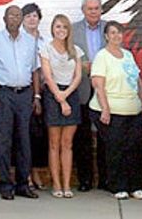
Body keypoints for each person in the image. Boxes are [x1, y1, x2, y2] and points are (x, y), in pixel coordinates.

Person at [0, 5, 40, 200]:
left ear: (21, 19)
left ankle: (23, 184)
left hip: (24, 95)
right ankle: (6, 184)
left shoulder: (31, 42)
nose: (14, 18)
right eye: (11, 15)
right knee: (3, 140)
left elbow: (35, 72)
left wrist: (37, 96)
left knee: (24, 141)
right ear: (4, 19)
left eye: (18, 15)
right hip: (3, 95)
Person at [89, 22, 142, 200]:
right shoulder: (102, 56)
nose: (116, 36)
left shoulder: (128, 55)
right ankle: (117, 186)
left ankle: (135, 185)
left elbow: (136, 81)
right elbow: (98, 85)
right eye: (112, 33)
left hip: (133, 111)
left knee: (136, 149)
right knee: (116, 149)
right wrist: (105, 109)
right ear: (106, 36)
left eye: (119, 33)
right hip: (111, 112)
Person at [39, 14, 83, 198]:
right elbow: (47, 77)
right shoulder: (45, 49)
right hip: (53, 95)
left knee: (67, 144)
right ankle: (56, 184)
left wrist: (67, 95)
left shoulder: (76, 50)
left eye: (64, 27)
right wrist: (60, 98)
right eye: (58, 27)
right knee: (54, 144)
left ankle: (67, 185)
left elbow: (78, 76)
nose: (61, 30)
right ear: (52, 29)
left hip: (71, 94)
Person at [72, 0, 107, 192]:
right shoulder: (73, 29)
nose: (93, 12)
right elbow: (67, 55)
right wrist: (80, 66)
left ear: (101, 9)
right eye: (90, 9)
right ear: (83, 10)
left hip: (105, 90)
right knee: (82, 138)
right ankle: (85, 180)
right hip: (82, 88)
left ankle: (105, 179)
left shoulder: (110, 29)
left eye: (96, 8)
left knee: (105, 137)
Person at [20, 3, 49, 191]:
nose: (32, 19)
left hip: (44, 90)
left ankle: (36, 170)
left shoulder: (44, 41)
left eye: (35, 16)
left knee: (39, 134)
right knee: (24, 134)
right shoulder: (18, 39)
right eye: (28, 16)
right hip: (24, 90)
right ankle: (26, 173)